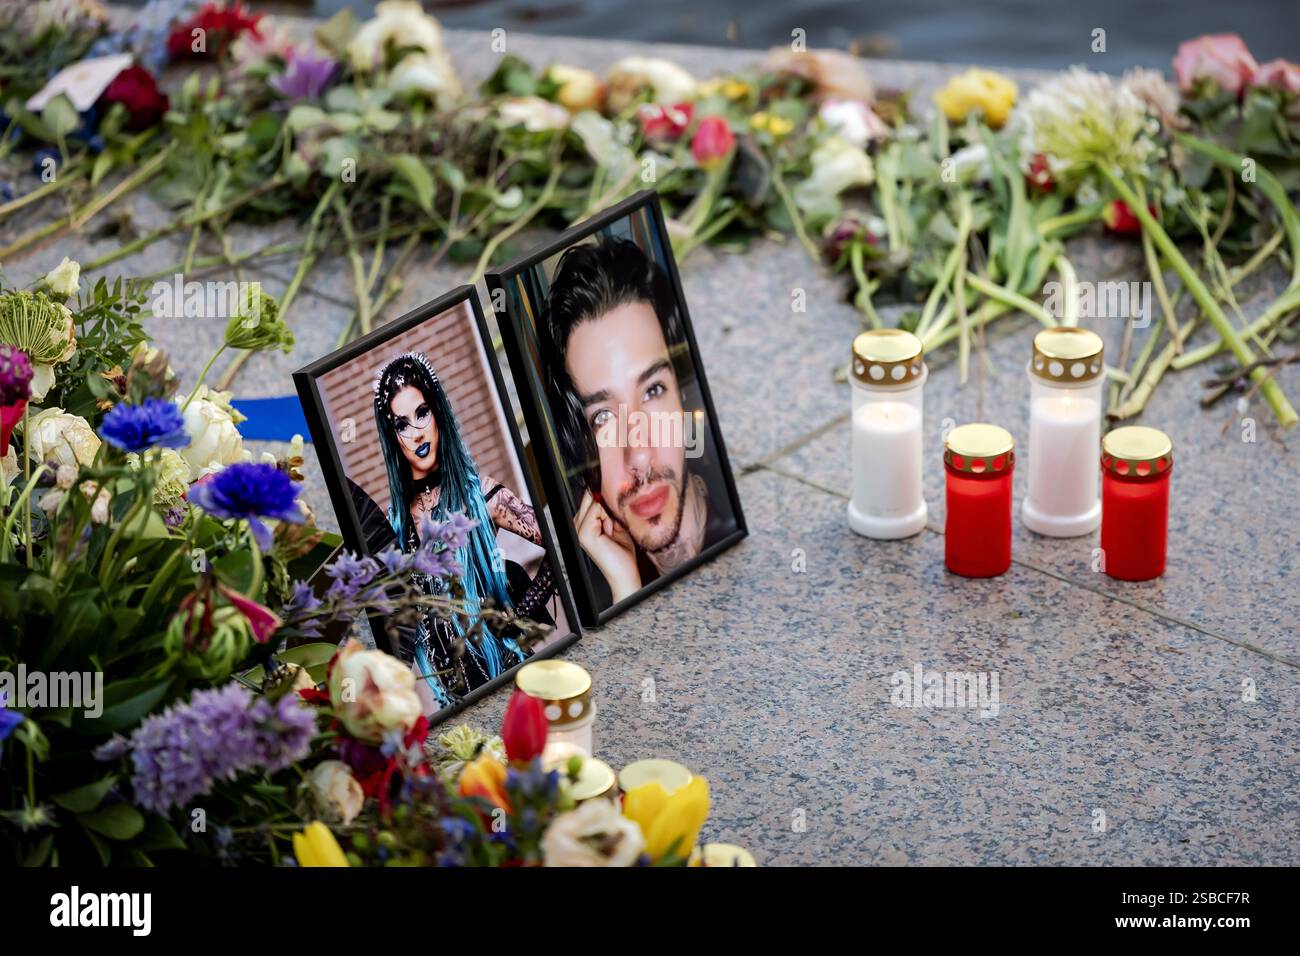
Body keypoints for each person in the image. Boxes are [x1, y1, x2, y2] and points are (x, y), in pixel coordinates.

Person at [541, 237, 728, 606]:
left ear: (686, 395)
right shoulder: (593, 591)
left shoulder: (734, 524)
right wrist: (626, 589)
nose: (638, 456)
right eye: (603, 416)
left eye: (653, 391)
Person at [371, 352, 552, 707]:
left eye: (422, 413)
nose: (417, 430)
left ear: (438, 414)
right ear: (392, 437)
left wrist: (519, 613)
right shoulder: (395, 524)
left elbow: (560, 548)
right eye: (401, 423)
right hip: (453, 700)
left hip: (510, 679)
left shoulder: (480, 495)